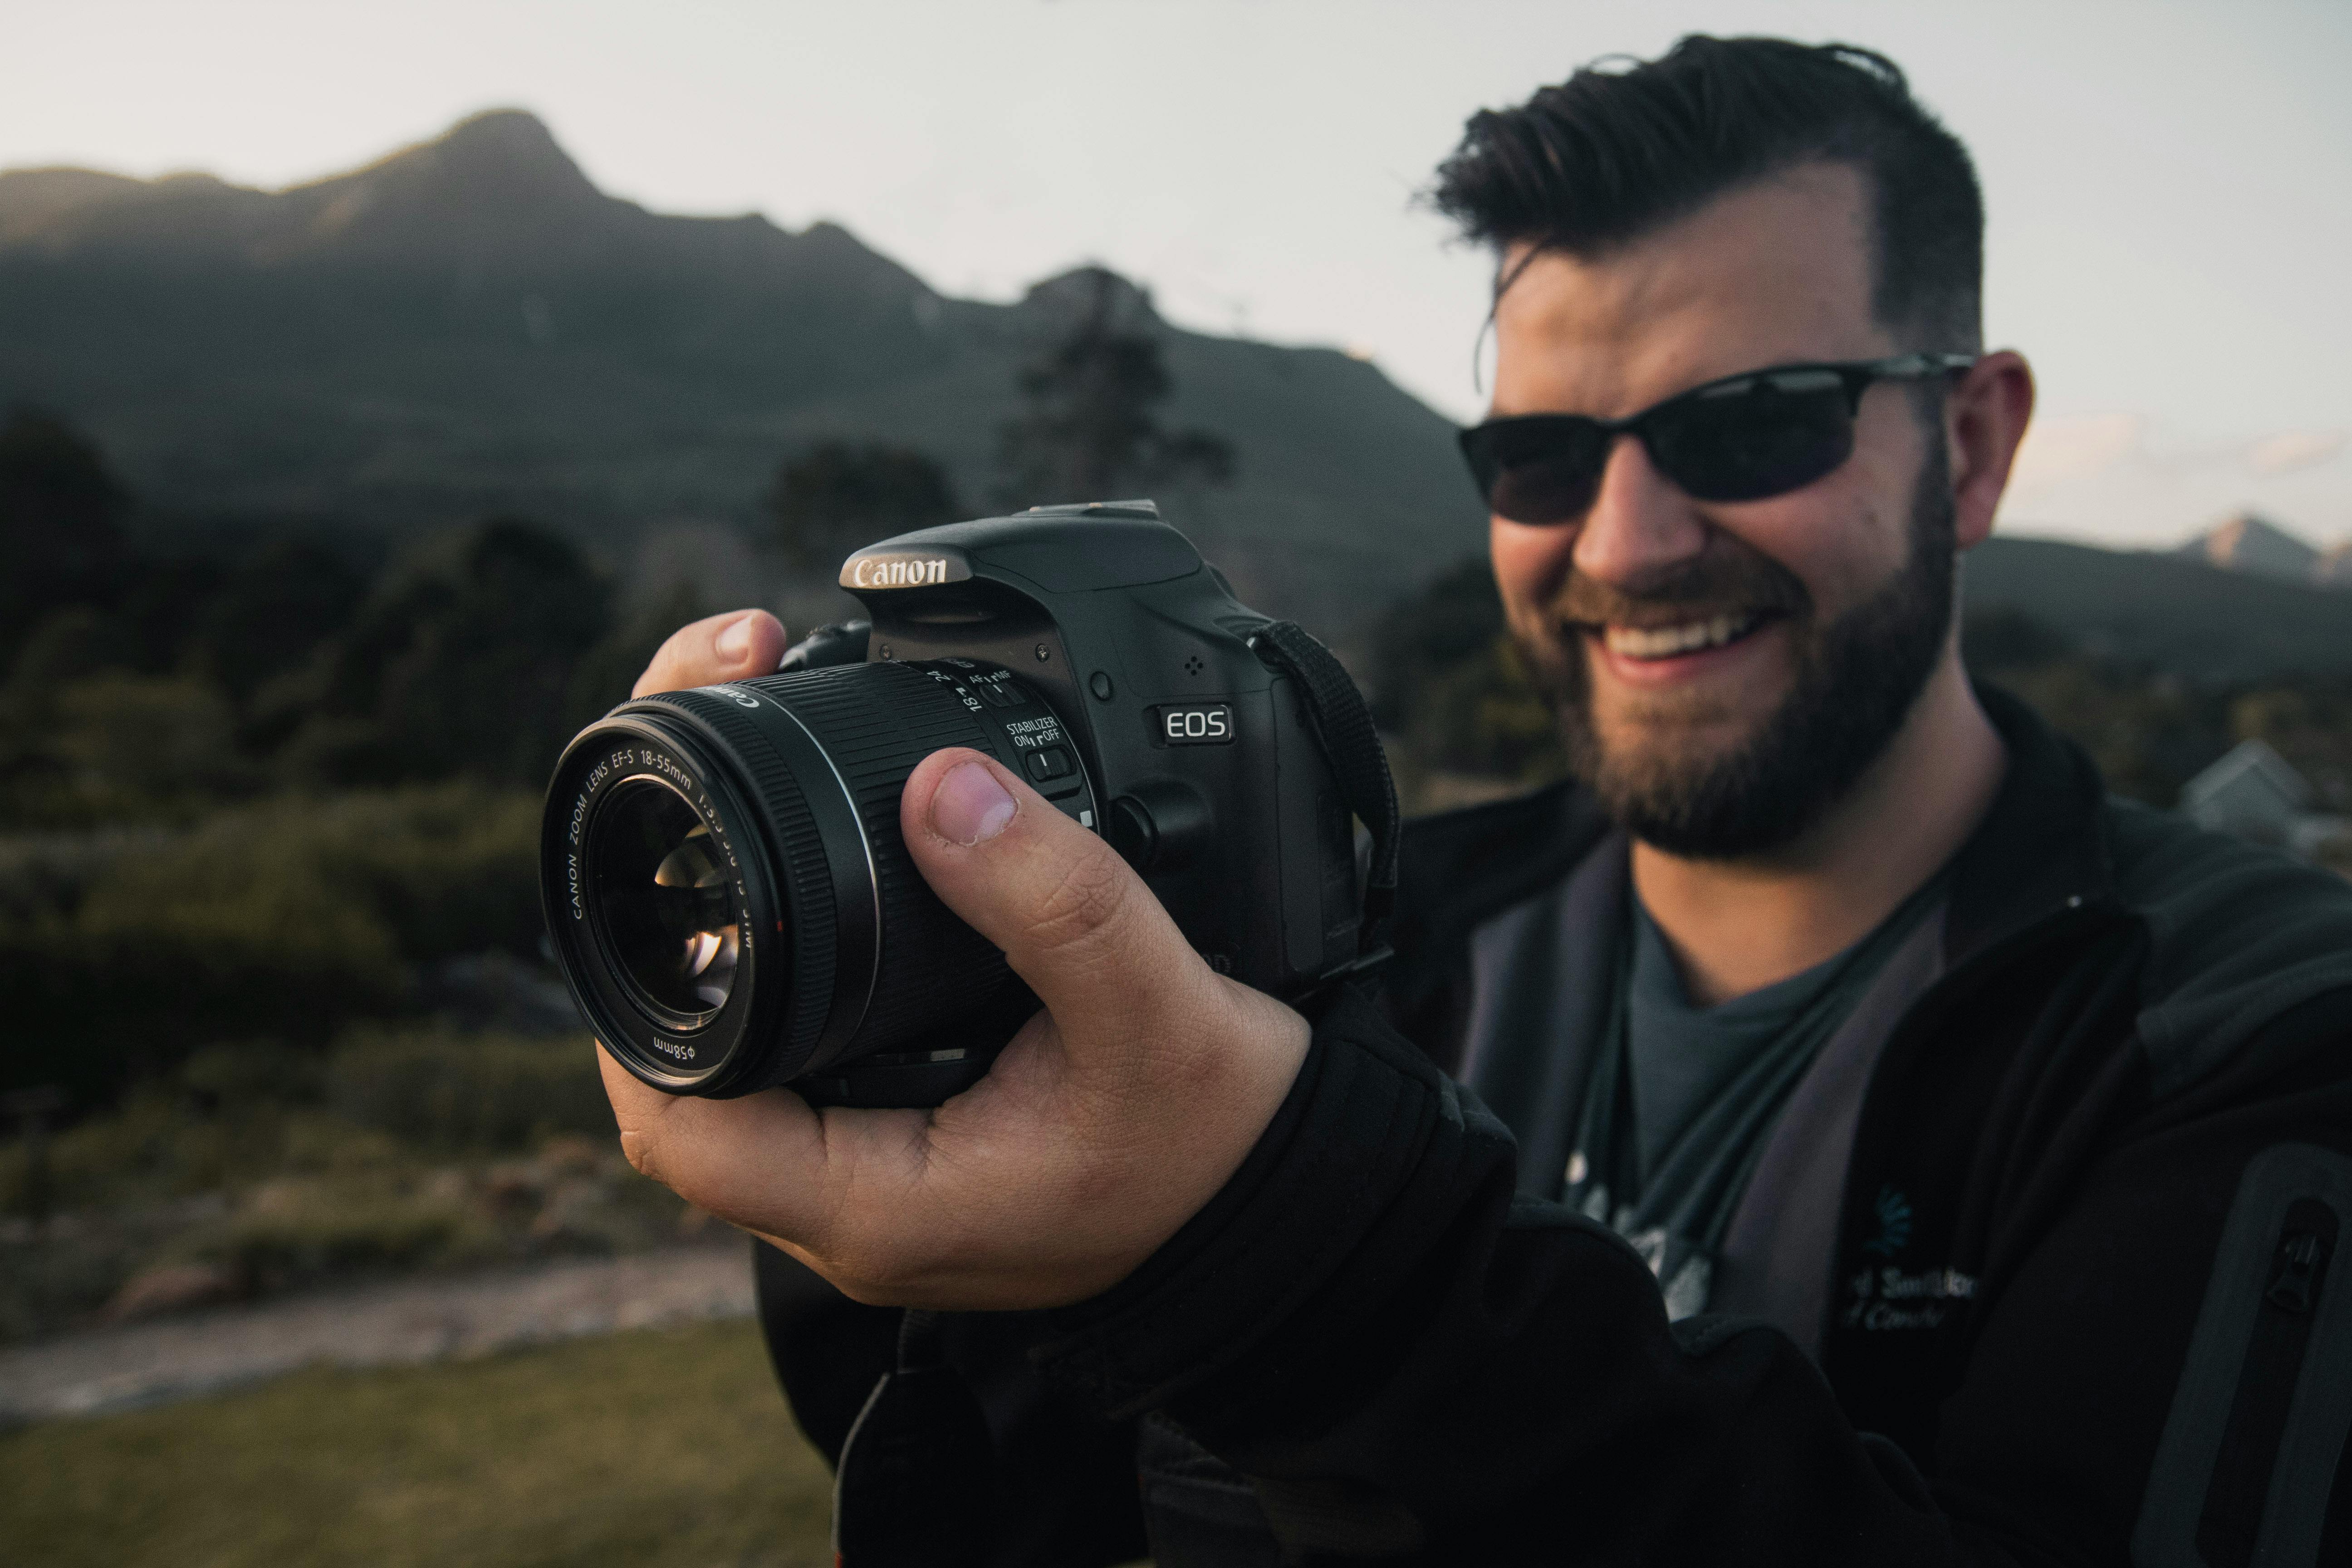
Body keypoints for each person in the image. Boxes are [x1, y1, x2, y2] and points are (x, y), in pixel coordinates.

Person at [611, 36, 2352, 1566]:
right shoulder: (1356, 935)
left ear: (1968, 448)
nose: (1624, 542)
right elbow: (1033, 1498)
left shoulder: (2253, 1035)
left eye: (1751, 427)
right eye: (1540, 455)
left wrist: (1286, 1260)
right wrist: (857, 1023)